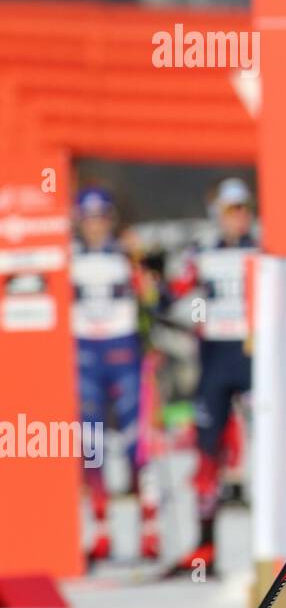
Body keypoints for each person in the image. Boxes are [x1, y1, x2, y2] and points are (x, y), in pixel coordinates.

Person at [165, 177, 259, 576]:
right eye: (229, 210)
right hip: (216, 357)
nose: (237, 218)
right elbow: (171, 296)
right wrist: (191, 314)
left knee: (265, 447)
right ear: (216, 214)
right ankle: (205, 546)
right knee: (206, 450)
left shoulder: (262, 247)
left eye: (243, 209)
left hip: (252, 355)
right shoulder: (200, 253)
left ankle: (273, 546)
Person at [70, 187, 160, 563]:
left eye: (101, 216)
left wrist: (145, 274)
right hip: (85, 352)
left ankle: (149, 531)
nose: (95, 225)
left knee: (135, 440)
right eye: (88, 218)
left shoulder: (127, 254)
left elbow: (155, 299)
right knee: (91, 443)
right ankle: (100, 531)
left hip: (123, 350)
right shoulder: (68, 256)